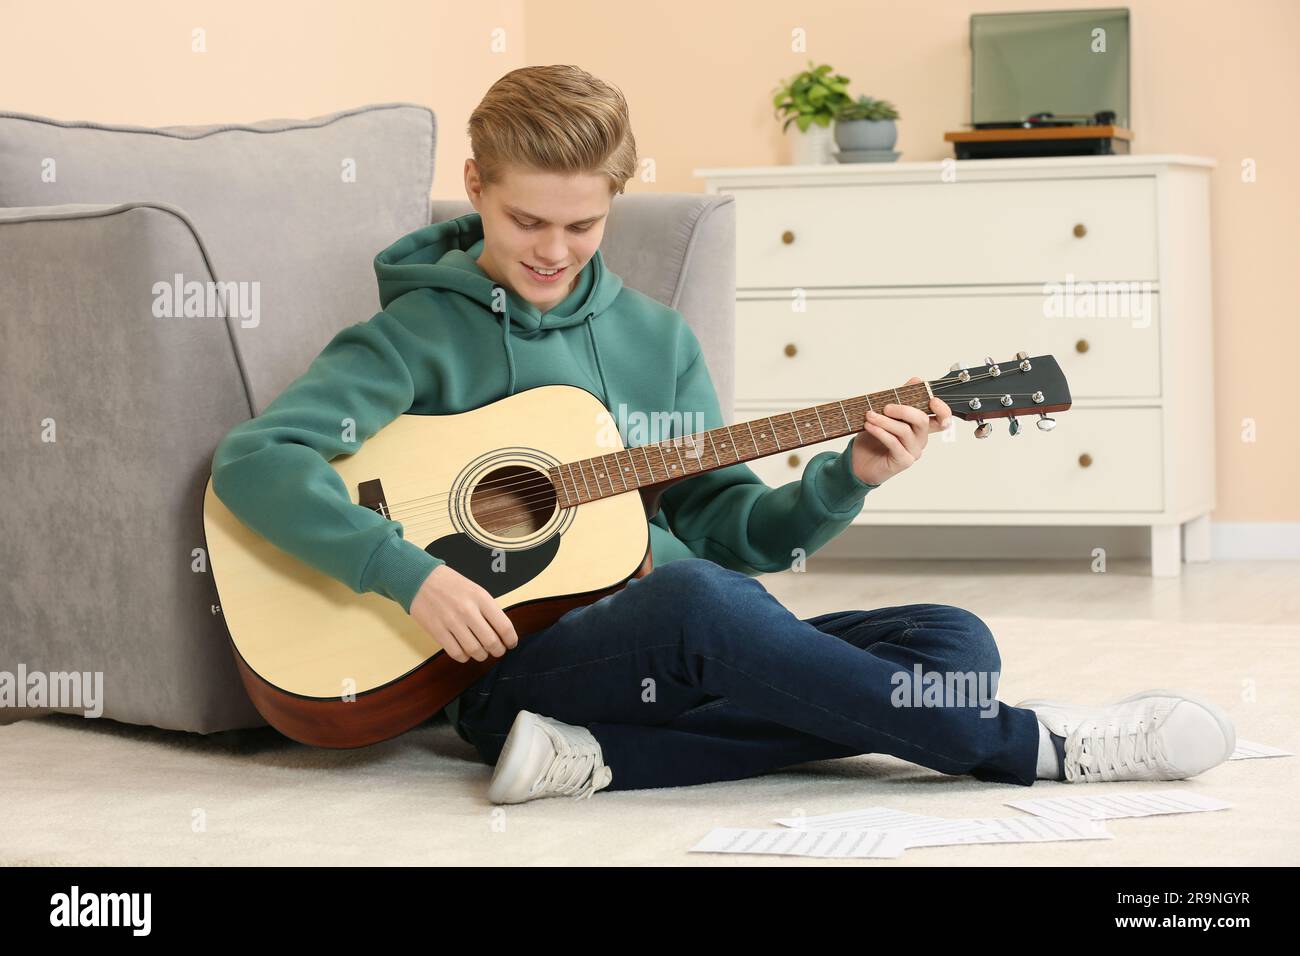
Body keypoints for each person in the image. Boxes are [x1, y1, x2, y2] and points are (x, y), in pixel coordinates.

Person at [210, 65, 1236, 805]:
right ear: (476, 186)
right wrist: (407, 573)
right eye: (527, 222)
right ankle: (1037, 744)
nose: (554, 252)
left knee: (949, 642)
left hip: (659, 645)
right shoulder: (412, 334)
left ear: (614, 201)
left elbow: (732, 526)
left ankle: (607, 756)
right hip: (496, 667)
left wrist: (845, 478)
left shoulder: (656, 341)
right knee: (704, 599)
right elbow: (256, 460)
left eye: (583, 225)